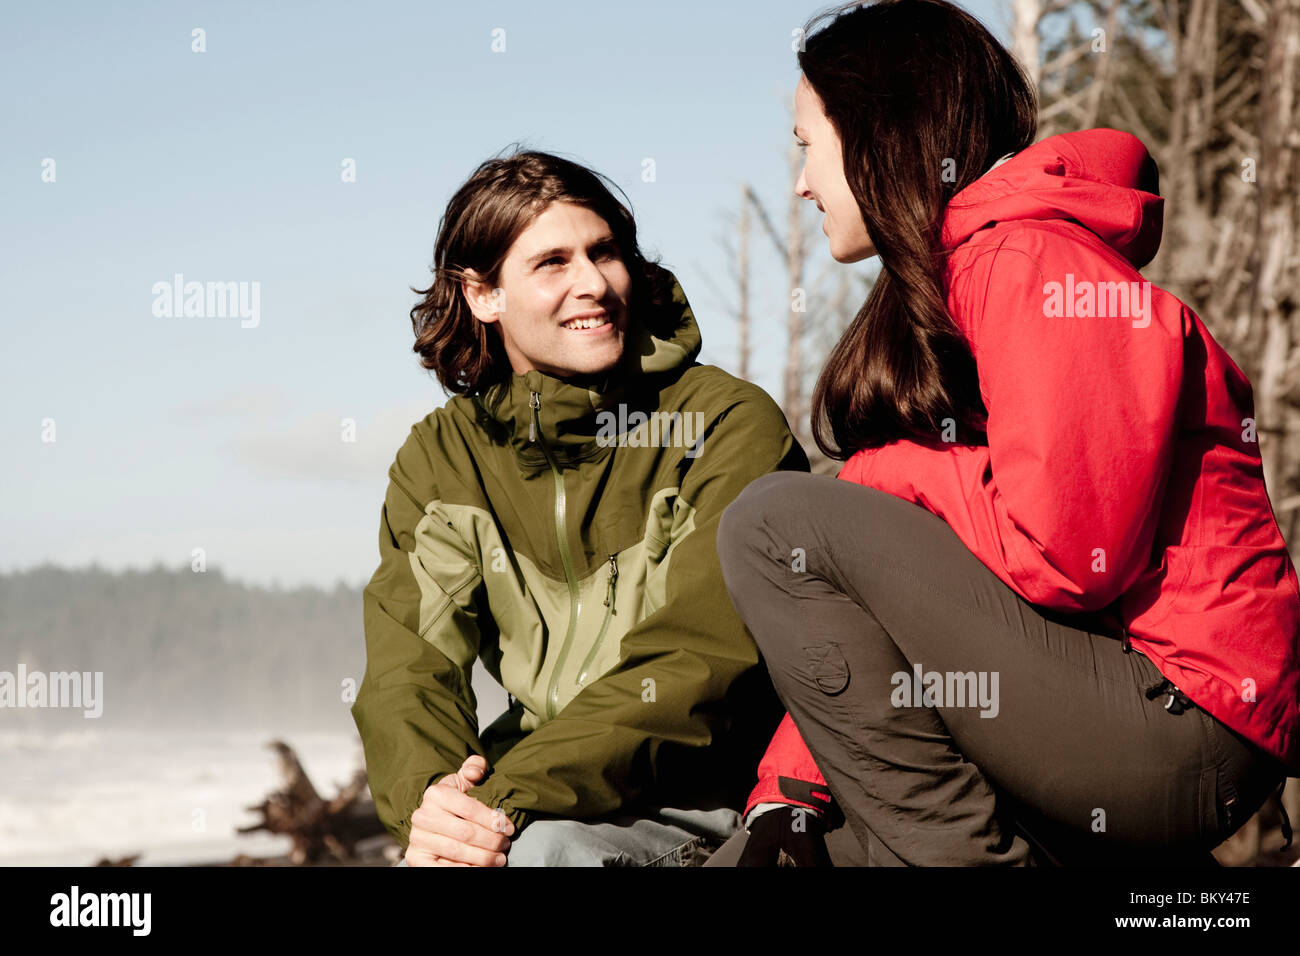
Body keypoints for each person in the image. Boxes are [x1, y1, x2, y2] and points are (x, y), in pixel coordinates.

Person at [710, 0, 1299, 867]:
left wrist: (893, 474)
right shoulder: (959, 280)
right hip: (1084, 704)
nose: (800, 182)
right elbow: (906, 604)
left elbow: (1070, 557)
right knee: (775, 857)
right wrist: (785, 797)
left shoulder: (1030, 263)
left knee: (772, 524)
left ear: (881, 132)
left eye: (807, 144)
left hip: (1183, 718)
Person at [351, 147, 807, 866]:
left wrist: (495, 806)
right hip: (536, 797)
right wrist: (435, 797)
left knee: (544, 856)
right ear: (481, 294)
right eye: (553, 262)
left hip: (706, 795)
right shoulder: (442, 458)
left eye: (605, 252)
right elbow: (409, 667)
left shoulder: (724, 424)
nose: (593, 283)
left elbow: (701, 664)